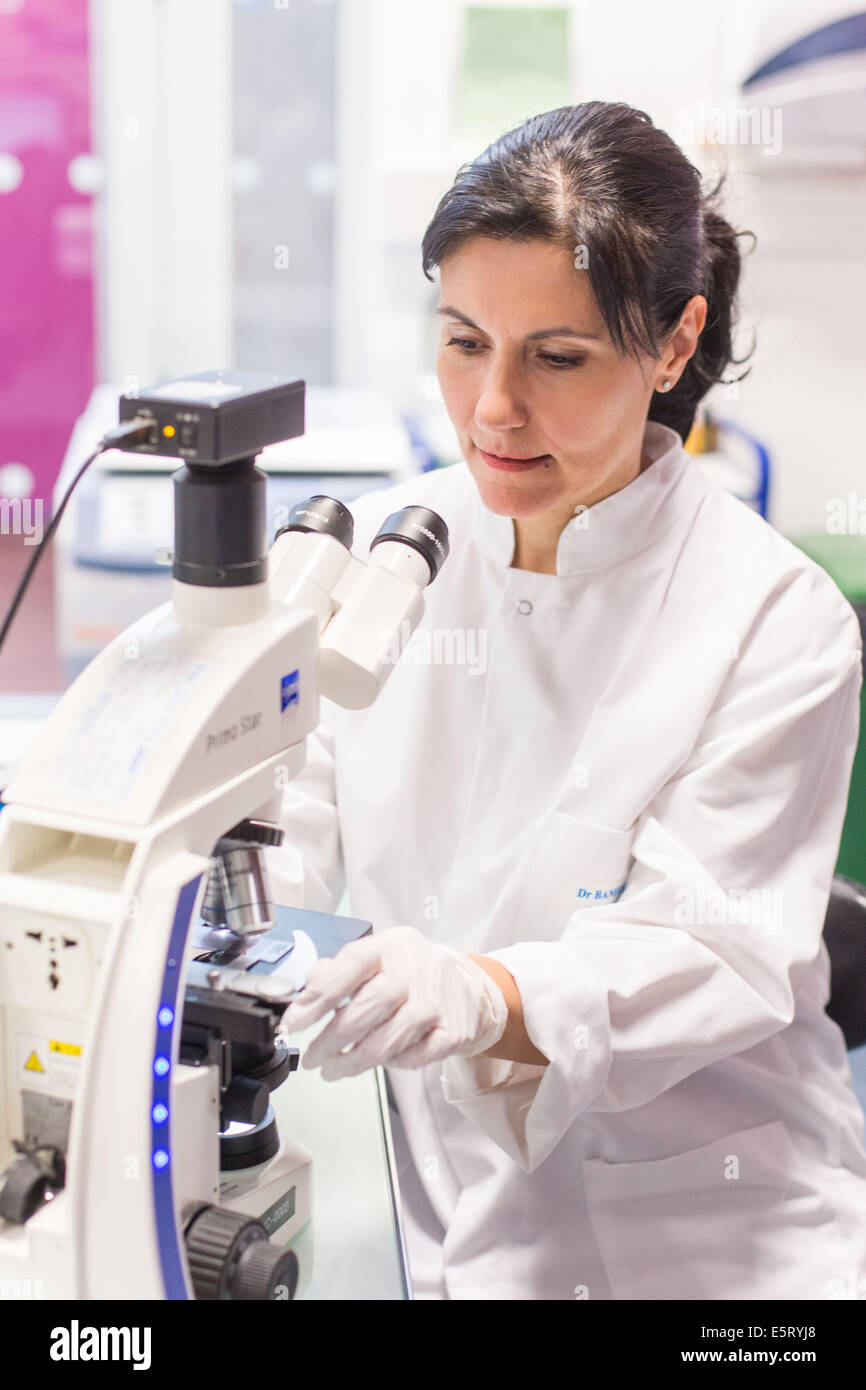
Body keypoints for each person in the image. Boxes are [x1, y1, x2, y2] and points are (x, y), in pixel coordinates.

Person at [270, 102, 866, 1300]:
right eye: (462, 340)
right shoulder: (399, 549)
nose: (493, 407)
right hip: (424, 1199)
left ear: (669, 342)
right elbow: (285, 811)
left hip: (701, 1228)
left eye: (556, 357)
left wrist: (482, 991)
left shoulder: (772, 619)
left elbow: (705, 954)